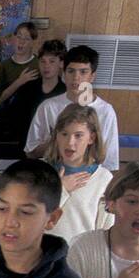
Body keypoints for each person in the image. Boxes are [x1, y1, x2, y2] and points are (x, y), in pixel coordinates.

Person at [26, 45, 120, 171]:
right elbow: (30, 152)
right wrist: (58, 139)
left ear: (92, 76)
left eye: (83, 72)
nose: (76, 78)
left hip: (89, 178)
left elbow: (110, 163)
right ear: (64, 74)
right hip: (53, 176)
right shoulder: (48, 107)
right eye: (71, 71)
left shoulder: (106, 111)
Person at [39, 103, 114, 241]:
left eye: (78, 135)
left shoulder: (103, 178)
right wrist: (61, 190)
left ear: (91, 138)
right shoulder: (40, 170)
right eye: (64, 134)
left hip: (80, 256)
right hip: (44, 254)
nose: (70, 142)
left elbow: (106, 231)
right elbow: (32, 220)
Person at [0, 39, 66, 150]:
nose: (46, 66)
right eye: (43, 61)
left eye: (52, 61)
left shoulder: (65, 92)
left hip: (54, 148)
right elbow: (13, 117)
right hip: (25, 145)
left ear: (61, 63)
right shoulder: (28, 88)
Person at [0, 22, 40, 109]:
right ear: (14, 38)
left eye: (27, 39)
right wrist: (19, 82)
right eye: (19, 37)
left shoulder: (39, 64)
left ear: (33, 42)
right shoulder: (4, 66)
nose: (21, 42)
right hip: (7, 116)